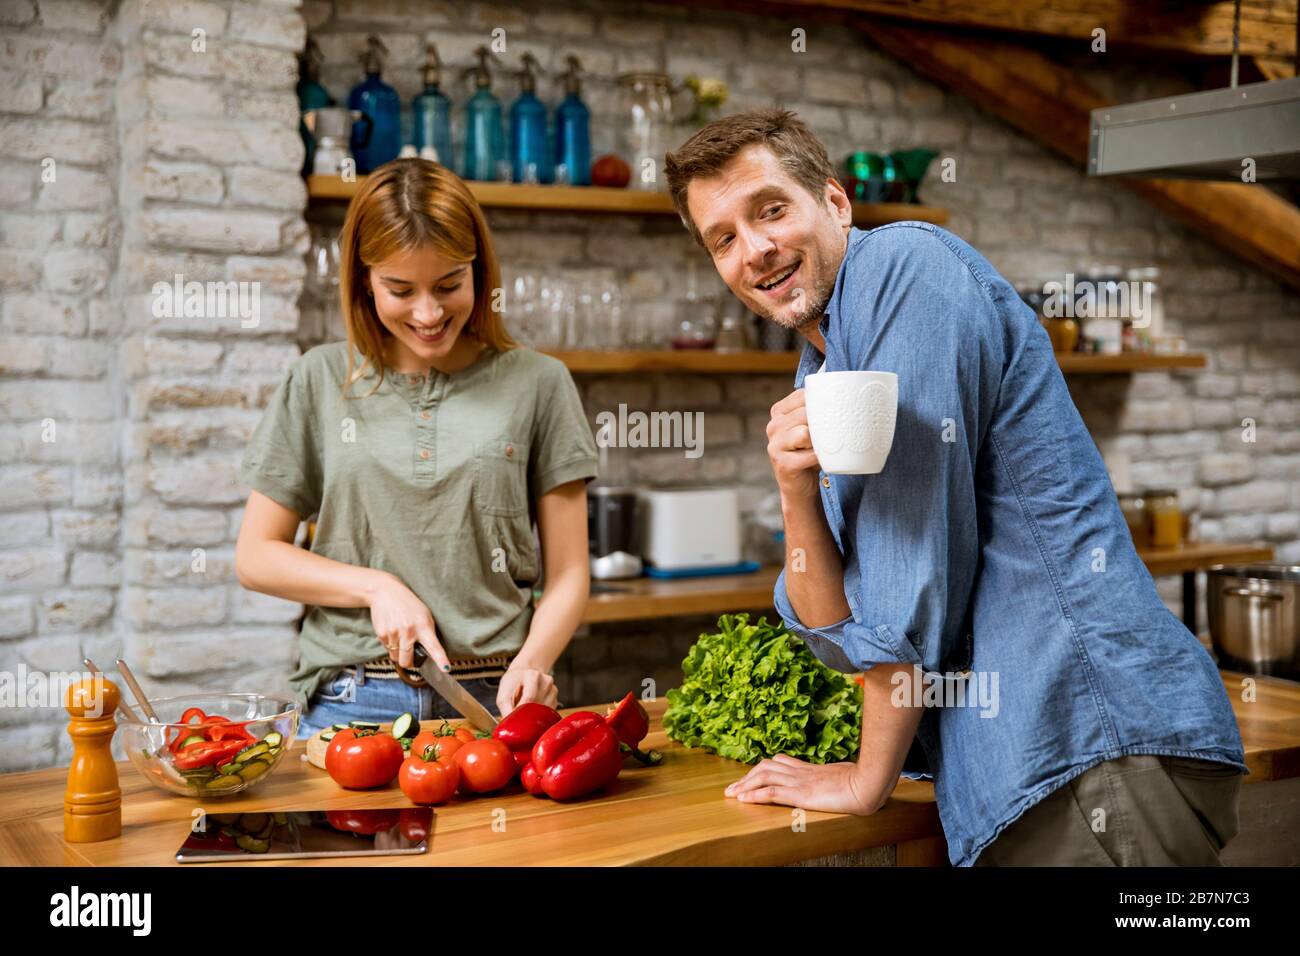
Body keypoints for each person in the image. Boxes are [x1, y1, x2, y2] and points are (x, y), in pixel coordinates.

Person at [664, 109, 1246, 866]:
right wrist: (794, 492)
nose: (756, 249)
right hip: (1038, 769)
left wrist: (864, 782)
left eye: (770, 209)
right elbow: (833, 625)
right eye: (724, 238)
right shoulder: (826, 366)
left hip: (1089, 752)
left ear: (835, 203)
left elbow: (911, 582)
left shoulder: (904, 271)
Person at [235, 159, 598, 738]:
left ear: (479, 271)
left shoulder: (539, 383)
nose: (429, 314)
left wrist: (534, 662)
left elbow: (570, 571)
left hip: (496, 699)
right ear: (363, 281)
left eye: (449, 285)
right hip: (349, 704)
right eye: (400, 290)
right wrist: (377, 587)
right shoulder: (318, 380)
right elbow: (256, 556)